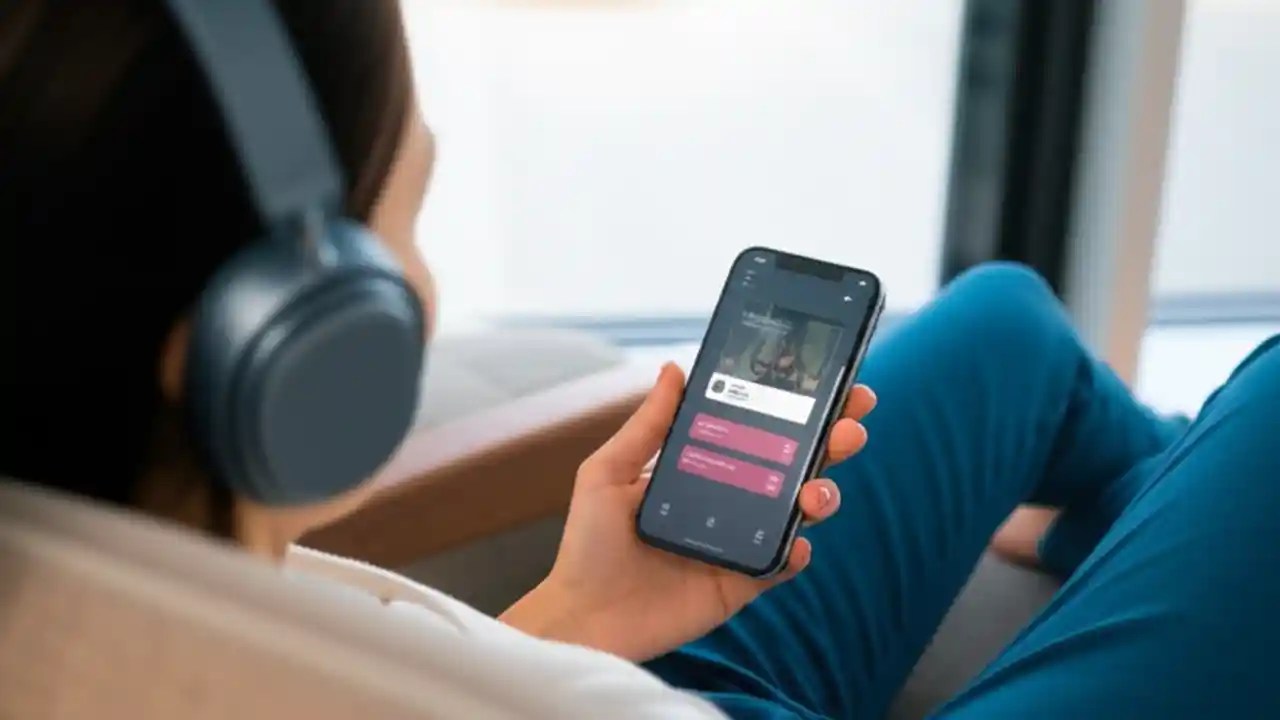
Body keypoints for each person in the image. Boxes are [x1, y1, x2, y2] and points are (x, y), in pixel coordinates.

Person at [3, 2, 1280, 718]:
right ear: (292, 350)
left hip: (592, 668)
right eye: (403, 225)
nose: (422, 294)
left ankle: (1139, 515)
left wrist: (579, 614)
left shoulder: (71, 580)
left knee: (1003, 320)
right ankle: (1159, 519)